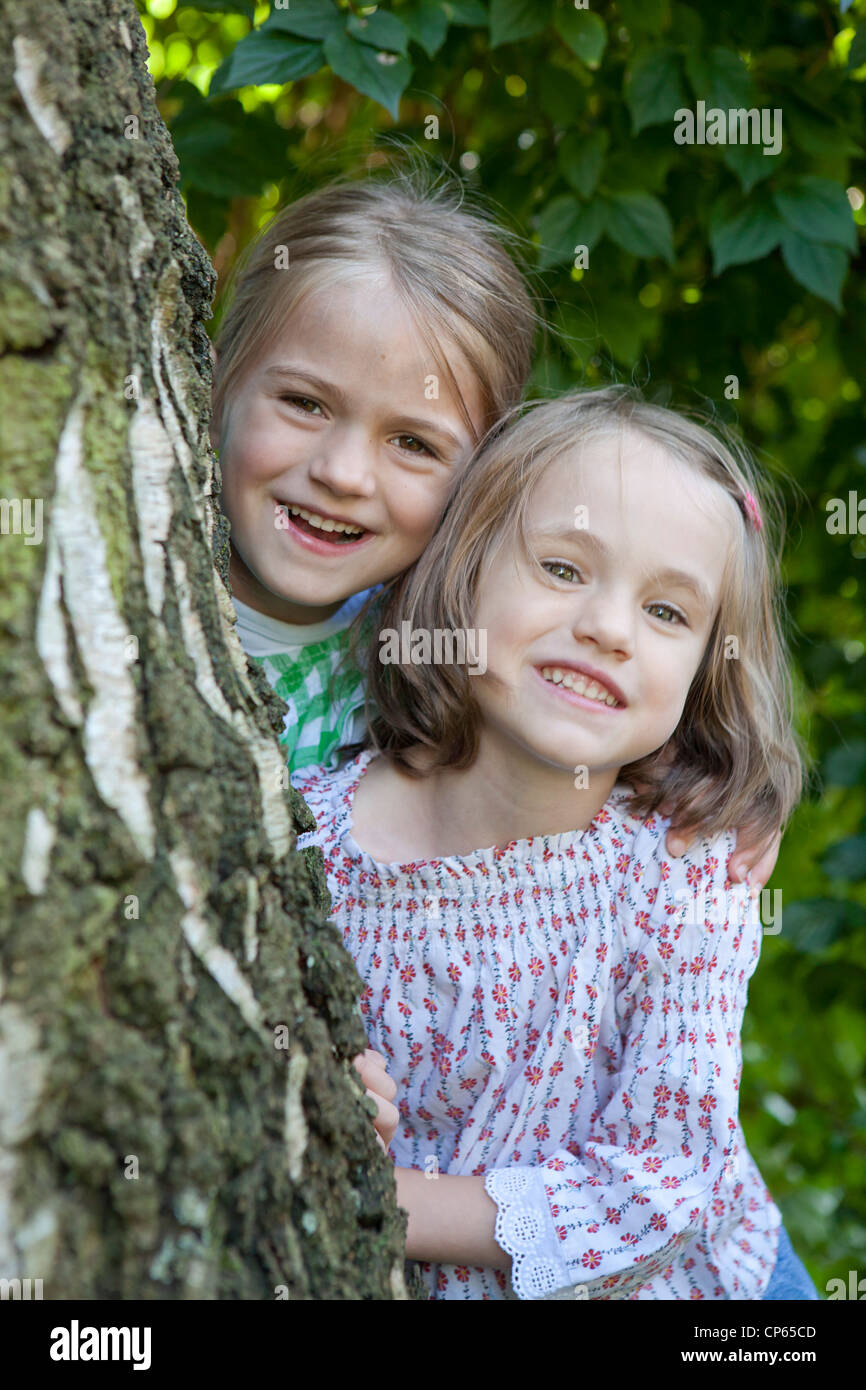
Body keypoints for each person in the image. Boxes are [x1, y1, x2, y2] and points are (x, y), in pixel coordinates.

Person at [293, 384, 819, 1300]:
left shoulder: (684, 873)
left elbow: (656, 1193)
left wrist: (375, 1200)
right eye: (565, 569)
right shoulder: (304, 841)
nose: (608, 629)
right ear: (462, 568)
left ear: (704, 673)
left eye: (667, 614)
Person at [208, 164, 778, 889]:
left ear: (477, 481)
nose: (345, 473)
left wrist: (725, 795)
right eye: (304, 403)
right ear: (210, 383)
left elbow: (598, 720)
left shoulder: (435, 659)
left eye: (413, 443)